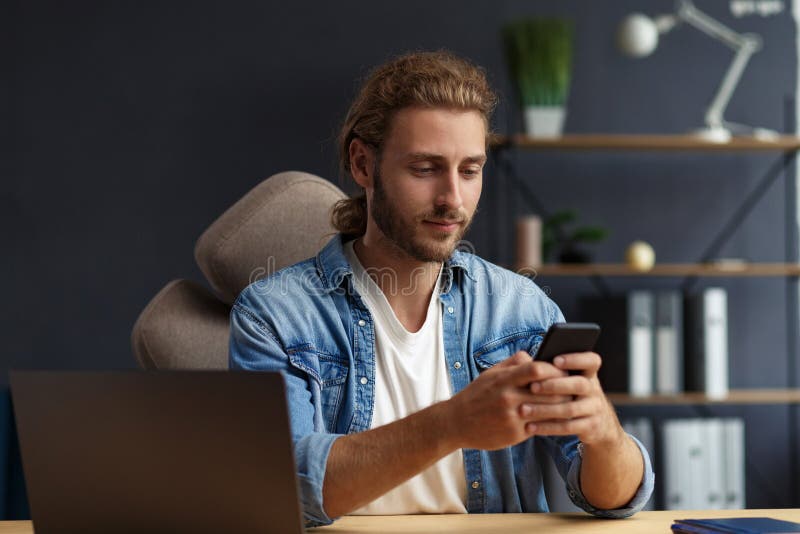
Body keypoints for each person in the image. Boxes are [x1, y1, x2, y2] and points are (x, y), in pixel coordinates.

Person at [229, 50, 654, 528]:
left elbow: (612, 500)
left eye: (469, 170)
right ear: (363, 164)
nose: (452, 199)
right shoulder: (276, 316)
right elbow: (282, 487)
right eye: (426, 168)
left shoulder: (522, 310)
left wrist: (603, 436)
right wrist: (451, 424)